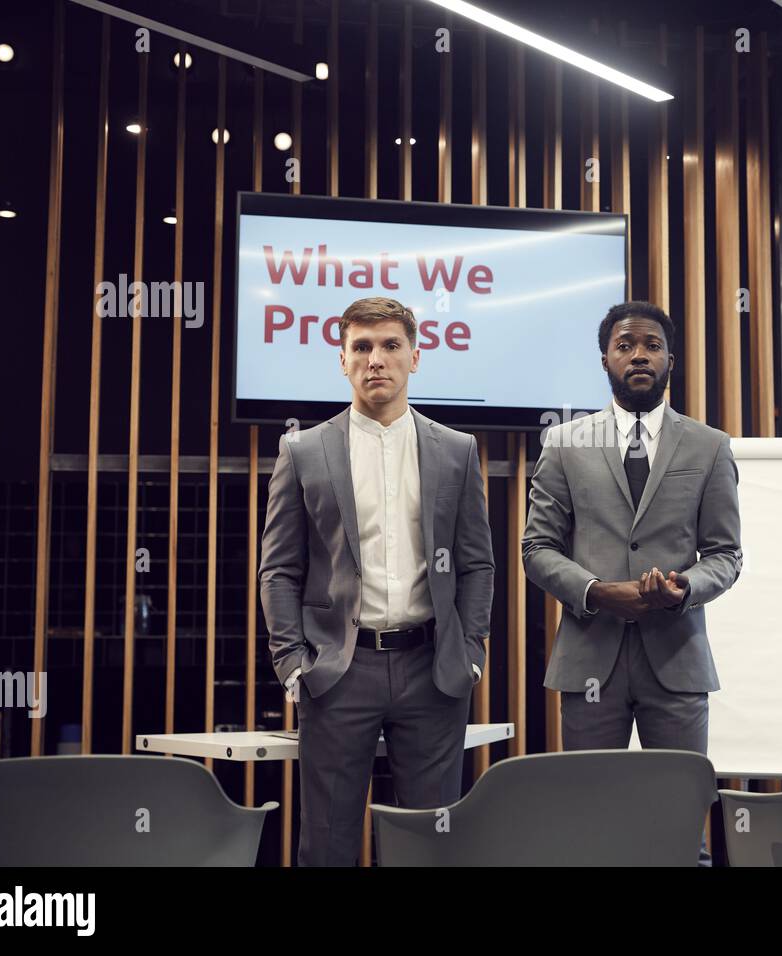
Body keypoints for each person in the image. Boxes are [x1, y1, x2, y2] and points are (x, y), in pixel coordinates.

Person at [260, 295, 493, 866]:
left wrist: (471, 652)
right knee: (328, 843)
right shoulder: (304, 450)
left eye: (390, 346)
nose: (376, 360)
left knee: (429, 843)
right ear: (342, 361)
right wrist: (293, 664)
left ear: (416, 357)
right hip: (339, 671)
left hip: (433, 670)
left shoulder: (458, 451)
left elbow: (477, 564)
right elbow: (279, 569)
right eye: (360, 347)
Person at [522, 300, 742, 757]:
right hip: (589, 659)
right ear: (606, 359)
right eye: (625, 345)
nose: (639, 355)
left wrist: (685, 588)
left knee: (679, 811)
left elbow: (726, 554)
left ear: (670, 361)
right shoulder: (565, 443)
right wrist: (597, 591)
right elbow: (537, 548)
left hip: (677, 659)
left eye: (652, 345)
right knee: (592, 814)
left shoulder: (710, 446)